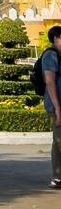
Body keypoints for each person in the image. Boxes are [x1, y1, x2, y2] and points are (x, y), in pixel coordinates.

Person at [41, 24, 61, 190]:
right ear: (56, 38)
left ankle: (57, 176)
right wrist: (57, 108)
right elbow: (49, 81)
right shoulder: (50, 55)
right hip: (56, 105)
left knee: (57, 141)